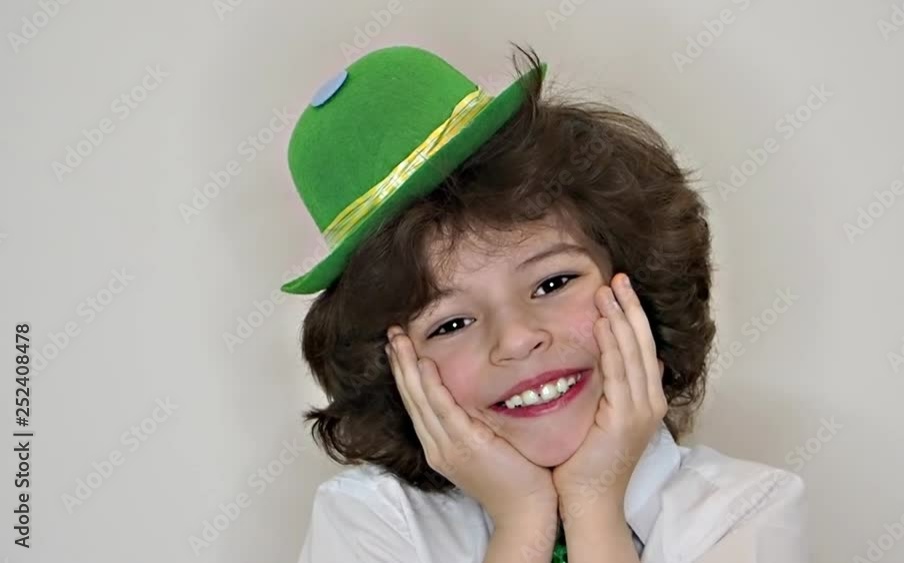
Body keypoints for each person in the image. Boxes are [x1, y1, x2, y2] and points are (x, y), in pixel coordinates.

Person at [281, 43, 808, 563]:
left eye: (552, 284)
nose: (516, 339)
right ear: (397, 376)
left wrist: (593, 504)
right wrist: (523, 522)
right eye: (451, 323)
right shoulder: (371, 521)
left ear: (639, 283)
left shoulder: (745, 510)